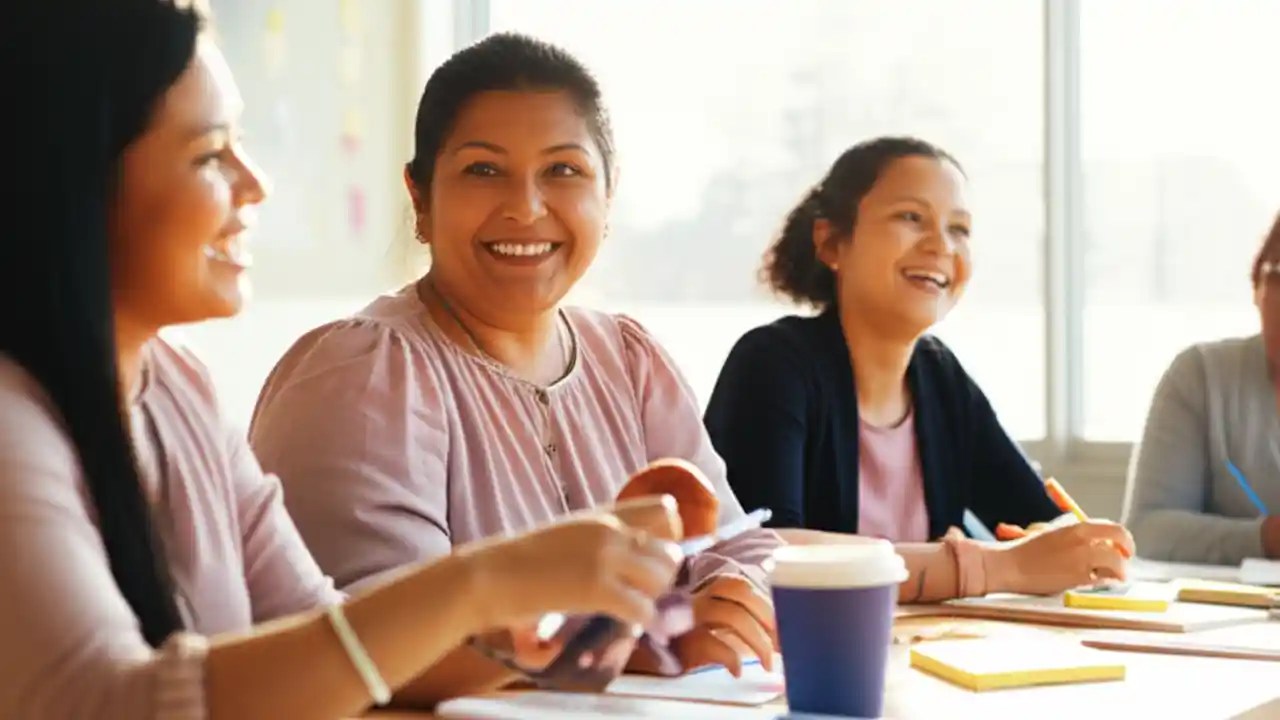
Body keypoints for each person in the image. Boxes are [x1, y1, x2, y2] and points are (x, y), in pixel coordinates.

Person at [0, 4, 686, 717]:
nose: (254, 183)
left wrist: (532, 626)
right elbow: (101, 703)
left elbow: (319, 635)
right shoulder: (12, 421)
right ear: (70, 179)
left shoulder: (178, 386)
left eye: (565, 170)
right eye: (210, 154)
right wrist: (485, 581)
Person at [249, 32, 780, 681]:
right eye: (483, 170)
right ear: (420, 197)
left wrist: (734, 595)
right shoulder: (365, 375)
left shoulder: (634, 361)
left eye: (563, 170)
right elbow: (373, 640)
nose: (526, 207)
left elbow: (737, 543)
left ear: (607, 198)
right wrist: (647, 646)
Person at [704, 137, 1134, 602]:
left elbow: (1036, 521)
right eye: (911, 218)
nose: (940, 245)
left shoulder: (942, 378)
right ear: (830, 242)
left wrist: (1072, 547)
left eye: (959, 228)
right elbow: (766, 557)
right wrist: (992, 567)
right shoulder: (772, 364)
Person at [1122, 212, 1280, 564]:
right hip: (1224, 613)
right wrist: (1265, 537)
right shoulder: (1201, 377)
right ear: (1256, 286)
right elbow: (1146, 532)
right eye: (1279, 275)